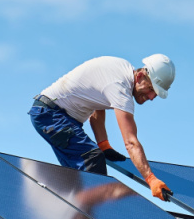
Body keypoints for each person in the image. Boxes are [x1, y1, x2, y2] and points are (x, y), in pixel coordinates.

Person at [31, 55, 175, 201]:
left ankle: (75, 208)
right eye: (150, 88)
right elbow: (130, 142)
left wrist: (104, 145)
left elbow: (97, 108)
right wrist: (151, 179)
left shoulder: (122, 69)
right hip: (52, 115)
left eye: (155, 94)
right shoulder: (120, 88)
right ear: (139, 76)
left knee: (80, 175)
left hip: (55, 116)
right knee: (92, 159)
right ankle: (96, 216)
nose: (151, 96)